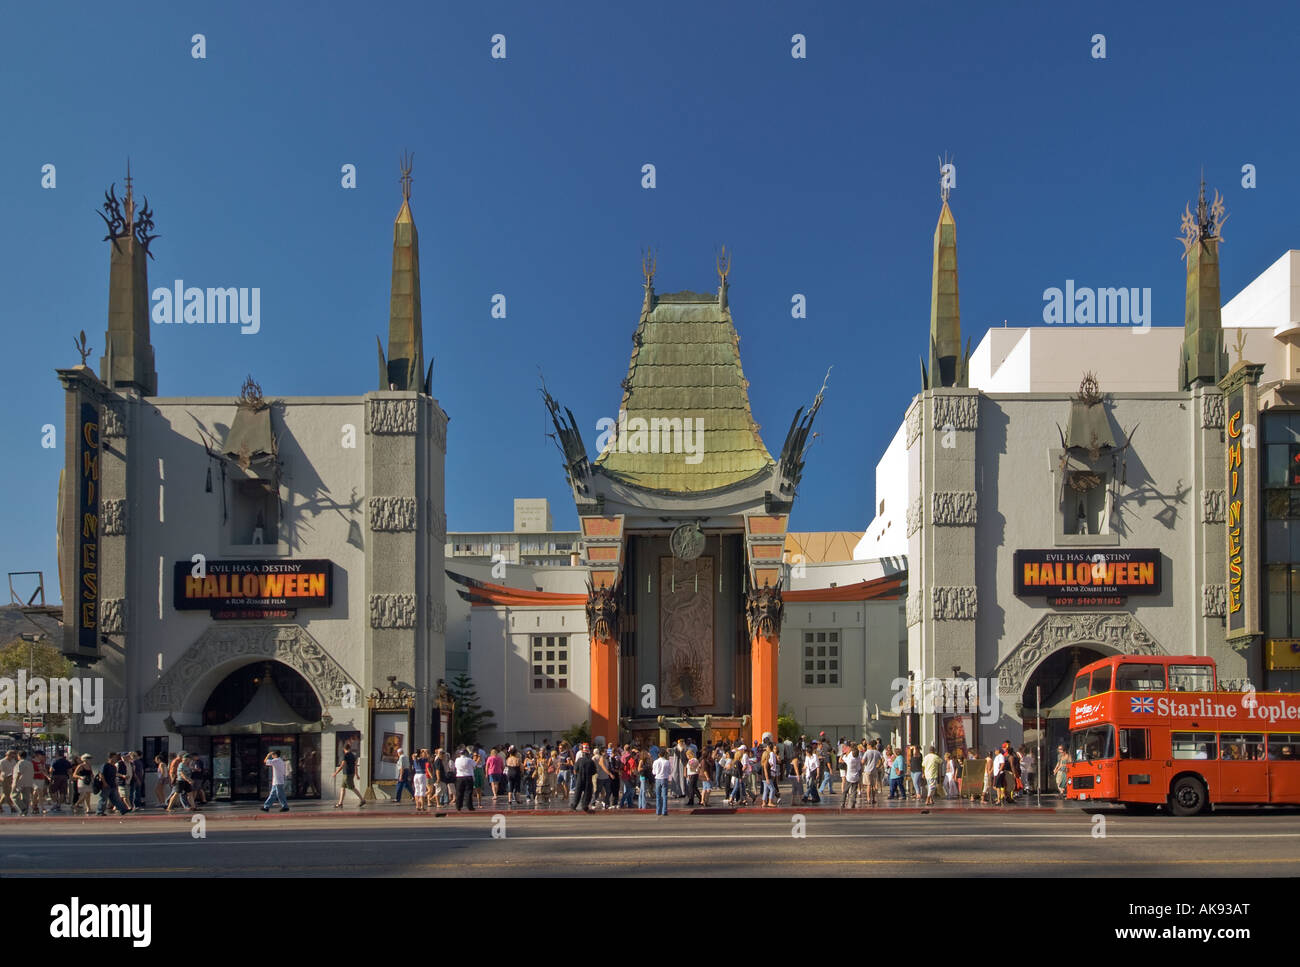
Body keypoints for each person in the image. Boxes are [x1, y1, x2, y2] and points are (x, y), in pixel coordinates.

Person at [332, 741, 365, 808]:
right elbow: (355, 765)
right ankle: (340, 803)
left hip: (347, 774)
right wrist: (356, 774)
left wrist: (335, 773)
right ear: (349, 748)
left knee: (352, 788)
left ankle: (362, 800)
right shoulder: (353, 755)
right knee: (342, 788)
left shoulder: (345, 755)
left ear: (344, 749)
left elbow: (342, 765)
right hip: (350, 773)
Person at [97, 752, 131, 816]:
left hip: (113, 785)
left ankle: (123, 810)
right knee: (103, 798)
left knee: (115, 799)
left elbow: (114, 776)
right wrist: (104, 783)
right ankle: (99, 811)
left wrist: (116, 784)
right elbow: (101, 774)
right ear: (111, 758)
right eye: (115, 757)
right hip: (106, 785)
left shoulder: (113, 767)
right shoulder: (105, 765)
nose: (116, 758)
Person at [573, 746, 597, 813]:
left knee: (577, 793)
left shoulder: (579, 760)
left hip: (579, 779)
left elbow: (575, 770)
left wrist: (577, 776)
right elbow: (594, 772)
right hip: (588, 779)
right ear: (588, 754)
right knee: (587, 793)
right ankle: (584, 806)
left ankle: (574, 806)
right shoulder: (591, 762)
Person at [11, 751, 35, 816]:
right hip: (28, 782)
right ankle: (25, 812)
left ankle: (23, 808)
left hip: (20, 783)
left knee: (13, 796)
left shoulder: (20, 763)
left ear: (19, 756)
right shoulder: (30, 763)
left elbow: (18, 773)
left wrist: (15, 783)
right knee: (26, 798)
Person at [48, 748, 72, 812]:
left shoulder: (54, 761)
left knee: (53, 790)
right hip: (64, 777)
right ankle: (59, 804)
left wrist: (50, 776)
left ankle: (56, 803)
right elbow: (70, 771)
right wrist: (70, 778)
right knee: (62, 791)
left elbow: (50, 770)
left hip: (56, 776)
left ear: (57, 754)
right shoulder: (67, 762)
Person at [652, 745, 672, 815]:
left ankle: (658, 811)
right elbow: (670, 772)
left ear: (658, 754)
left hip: (657, 778)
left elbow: (653, 772)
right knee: (665, 796)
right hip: (664, 778)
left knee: (658, 796)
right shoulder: (667, 762)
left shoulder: (655, 762)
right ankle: (664, 811)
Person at [862, 740, 883, 806]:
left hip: (867, 770)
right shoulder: (877, 752)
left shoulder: (867, 752)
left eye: (868, 745)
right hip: (874, 770)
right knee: (873, 785)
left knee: (868, 785)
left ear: (870, 745)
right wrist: (878, 765)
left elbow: (862, 761)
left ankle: (868, 798)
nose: (867, 746)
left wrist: (864, 763)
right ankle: (873, 798)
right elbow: (883, 759)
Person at [841, 744, 862, 809]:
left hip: (849, 777)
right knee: (854, 791)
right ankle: (852, 803)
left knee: (845, 791)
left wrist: (843, 754)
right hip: (856, 776)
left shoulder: (850, 758)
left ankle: (843, 803)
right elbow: (859, 767)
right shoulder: (858, 758)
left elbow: (843, 758)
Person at [411, 748, 430, 813]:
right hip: (422, 774)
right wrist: (424, 750)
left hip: (416, 775)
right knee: (422, 790)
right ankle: (422, 806)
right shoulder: (423, 759)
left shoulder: (415, 759)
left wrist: (418, 752)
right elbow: (428, 756)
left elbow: (413, 755)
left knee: (417, 790)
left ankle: (417, 805)